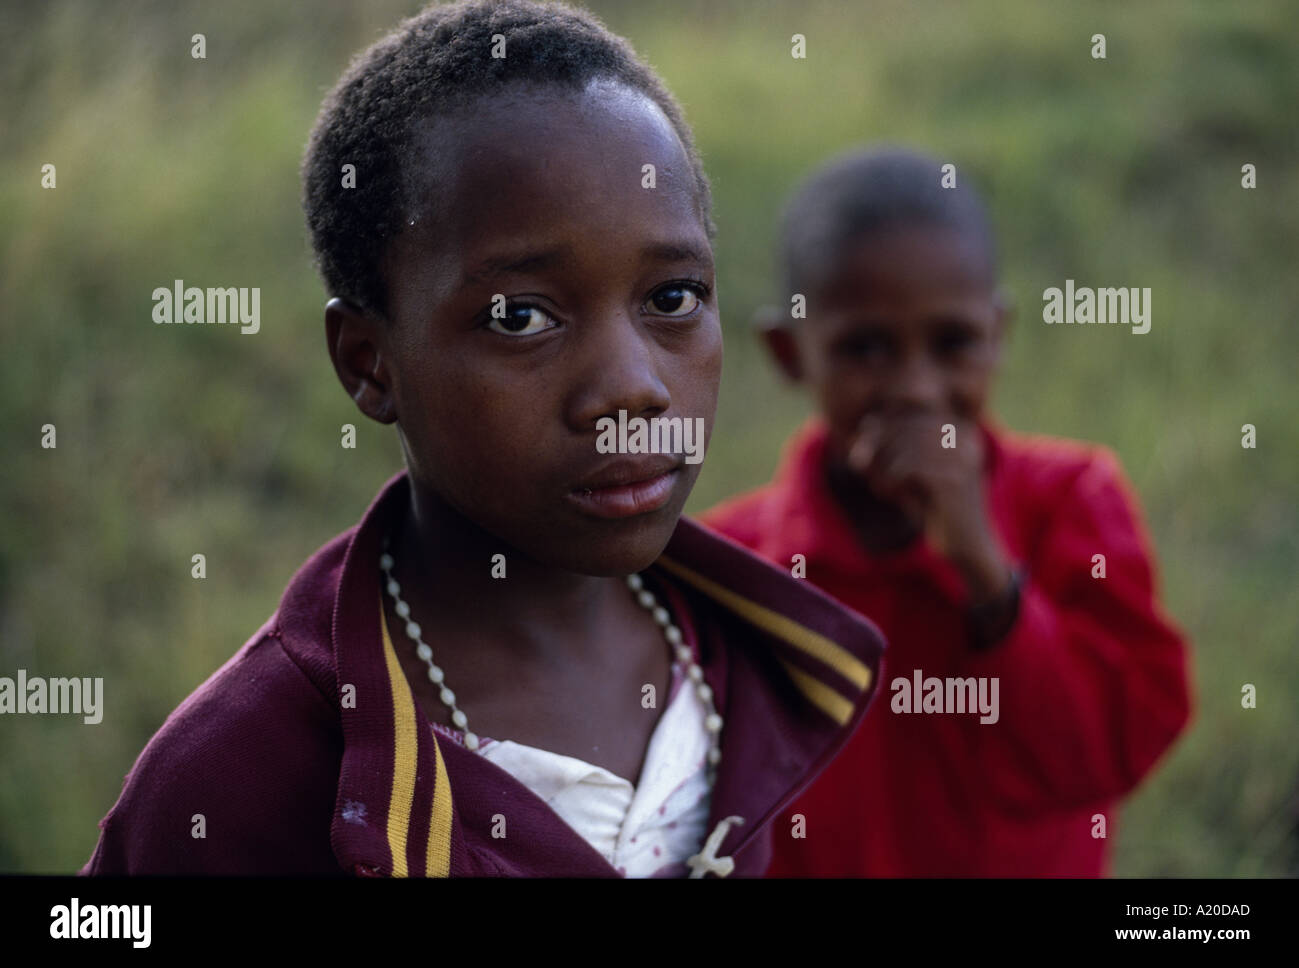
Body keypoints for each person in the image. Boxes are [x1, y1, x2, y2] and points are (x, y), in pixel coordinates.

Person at [80, 0, 884, 878]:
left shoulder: (756, 667)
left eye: (673, 299)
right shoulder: (234, 786)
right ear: (370, 365)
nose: (634, 388)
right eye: (522, 316)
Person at [701, 146, 1193, 876]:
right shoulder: (735, 566)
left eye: (953, 342)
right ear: (788, 352)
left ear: (998, 335)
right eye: (865, 348)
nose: (916, 388)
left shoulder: (1071, 502)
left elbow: (1113, 751)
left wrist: (985, 568)